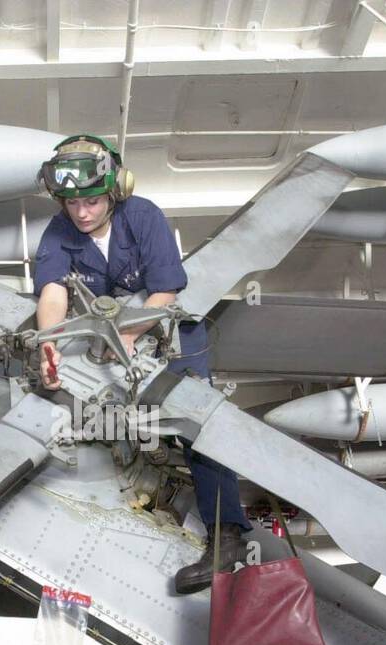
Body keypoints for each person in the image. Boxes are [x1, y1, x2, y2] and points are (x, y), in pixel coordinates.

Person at [32, 133, 251, 594]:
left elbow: (166, 291)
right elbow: (52, 290)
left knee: (199, 427)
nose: (81, 213)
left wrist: (126, 335)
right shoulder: (59, 231)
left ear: (115, 190)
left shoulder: (144, 216)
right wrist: (48, 344)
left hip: (171, 336)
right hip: (105, 346)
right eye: (71, 203)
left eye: (91, 201)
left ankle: (226, 536)